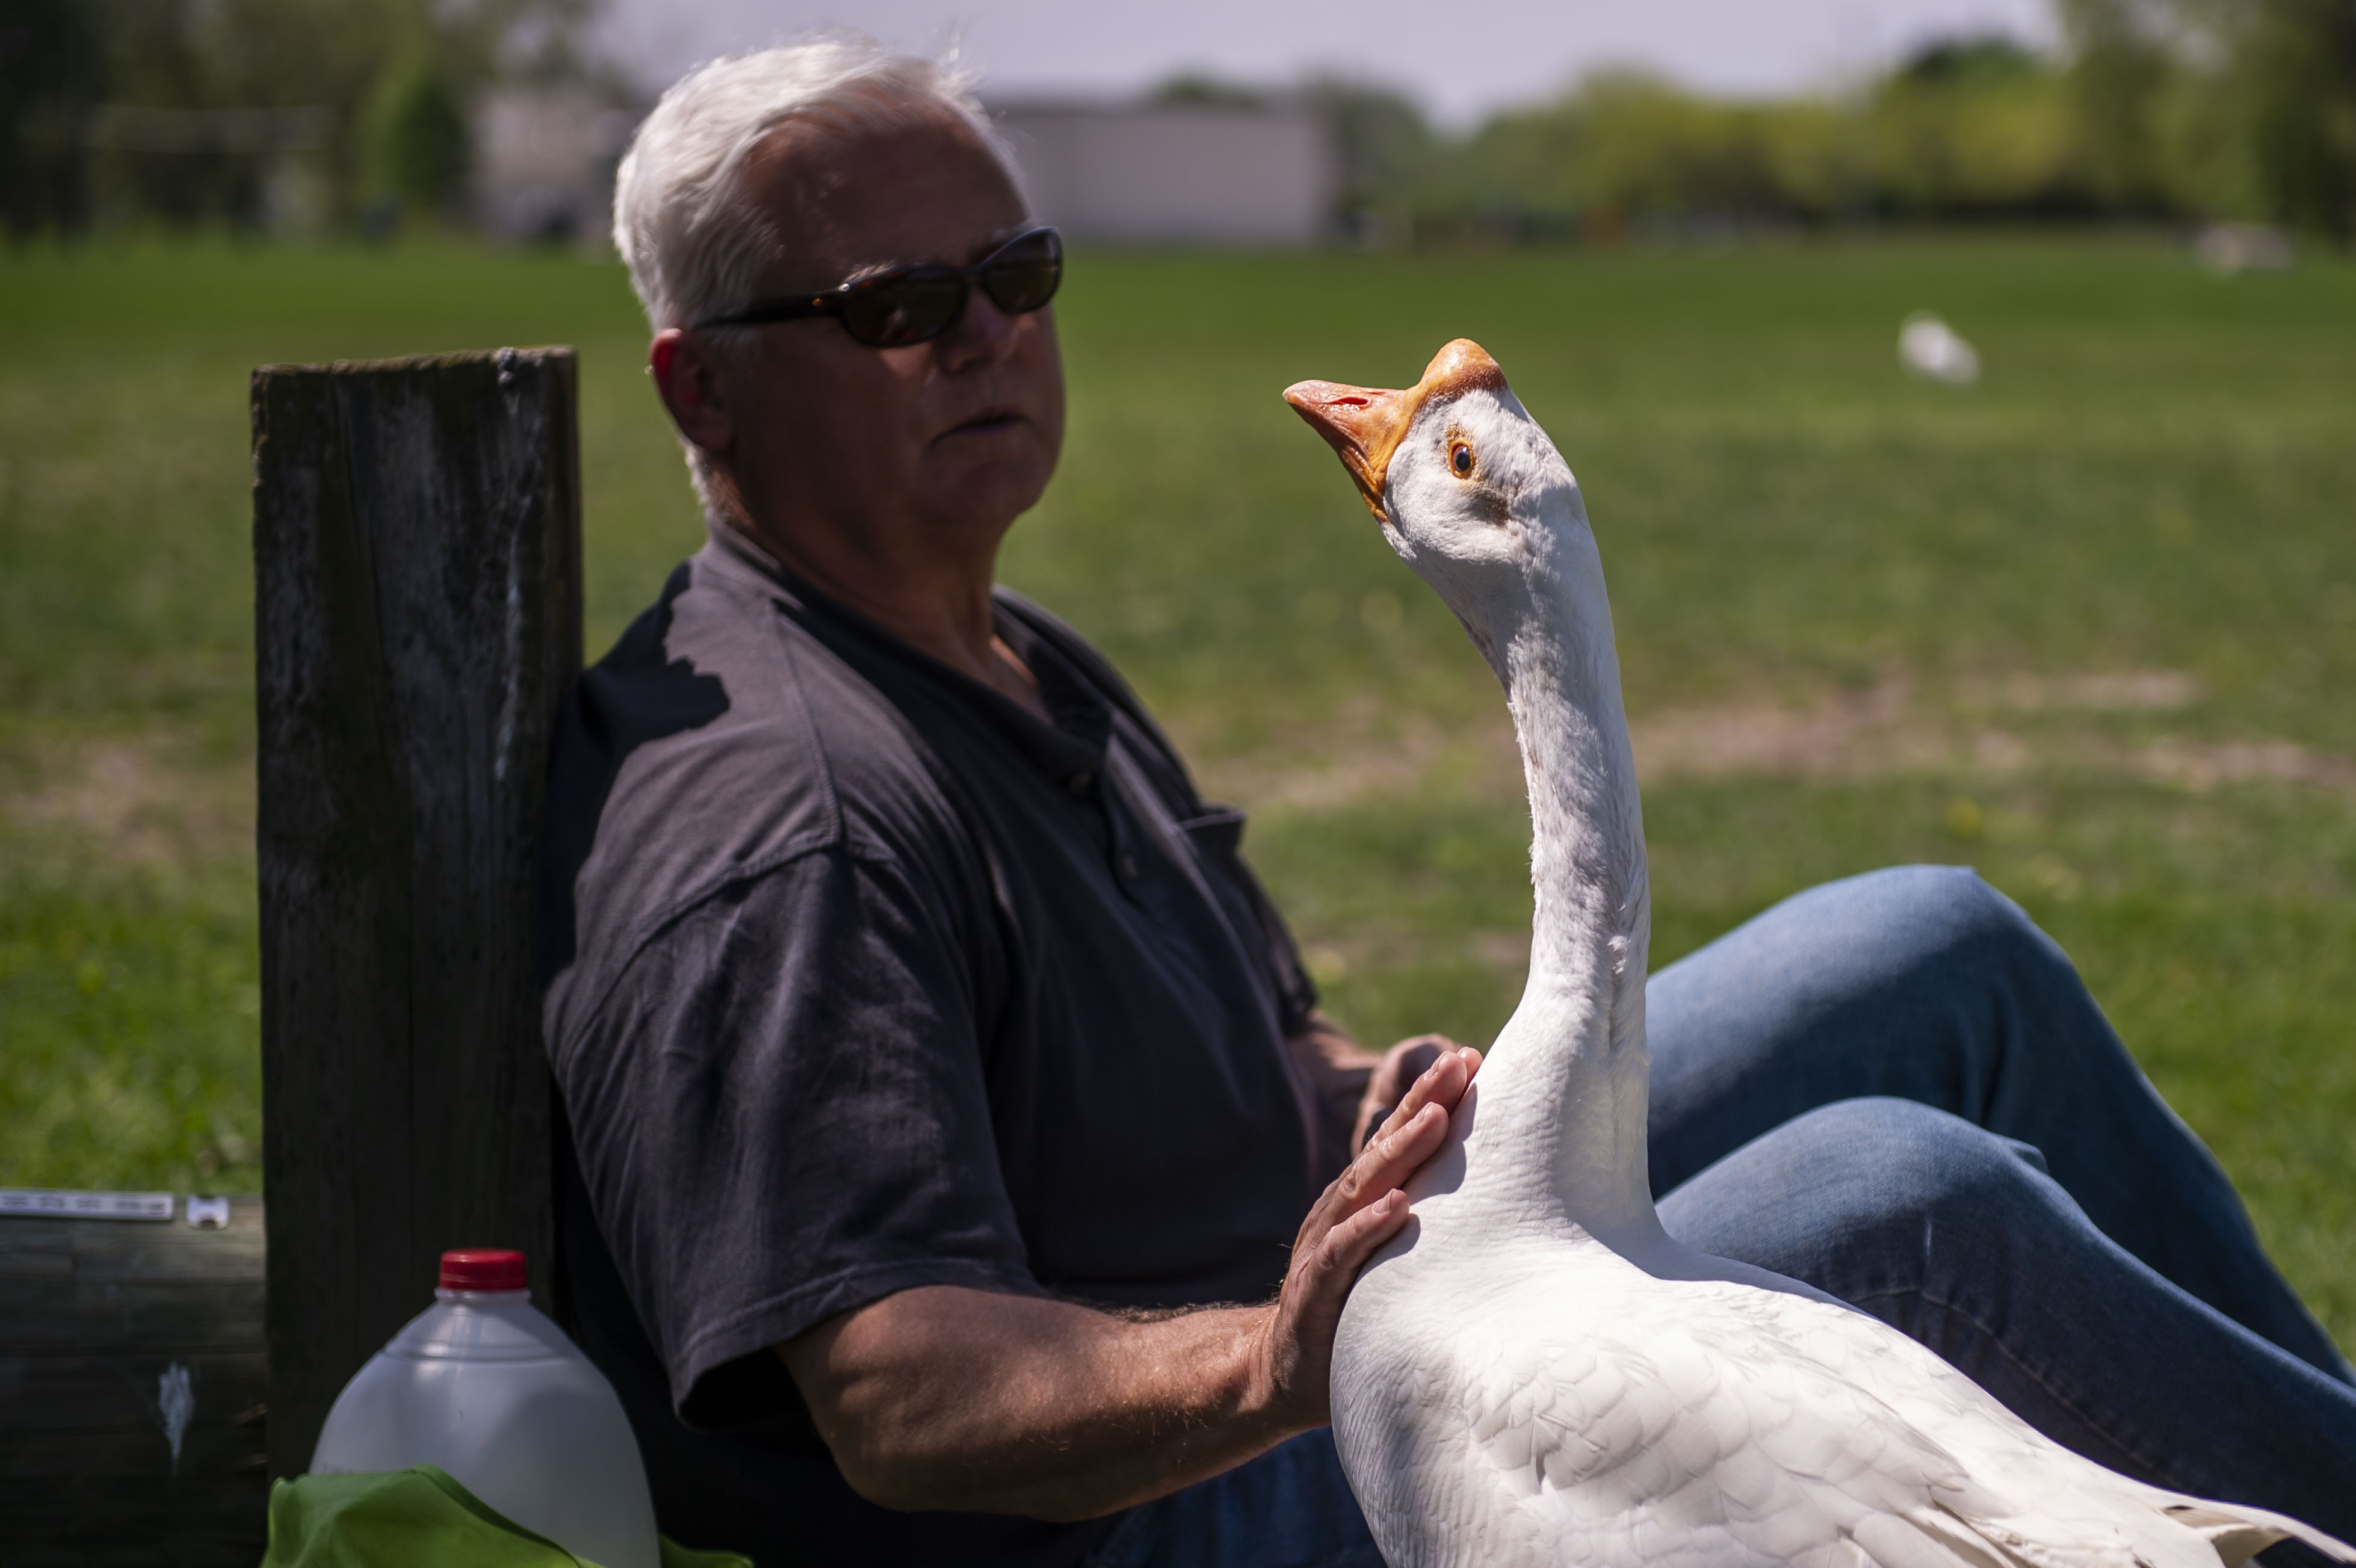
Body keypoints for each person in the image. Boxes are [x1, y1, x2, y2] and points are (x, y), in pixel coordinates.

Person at [538, 38, 2356, 1568]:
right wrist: (1283, 1351)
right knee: (1899, 1192)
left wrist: (1370, 1094)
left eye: (1015, 276)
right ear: (702, 385)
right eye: (896, 308)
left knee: (1933, 949)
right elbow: (903, 1397)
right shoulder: (787, 819)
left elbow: (1262, 1035)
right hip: (1189, 1487)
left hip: (1324, 1261)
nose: (983, 337)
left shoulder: (997, 647)